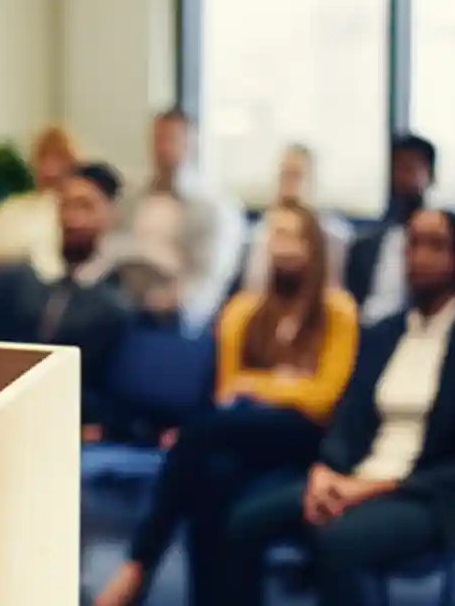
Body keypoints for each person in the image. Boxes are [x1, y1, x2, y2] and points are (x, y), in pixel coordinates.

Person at [216, 209, 455, 606]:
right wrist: (325, 471)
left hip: (433, 496)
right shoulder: (385, 332)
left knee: (339, 540)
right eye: (412, 244)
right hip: (355, 479)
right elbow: (349, 420)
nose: (419, 256)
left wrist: (372, 488)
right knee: (244, 522)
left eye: (436, 246)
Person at [94, 203, 359, 606]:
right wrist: (286, 383)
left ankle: (138, 565)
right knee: (211, 478)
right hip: (244, 439)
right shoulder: (243, 310)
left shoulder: (337, 311)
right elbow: (226, 389)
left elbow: (323, 399)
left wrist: (260, 385)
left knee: (198, 435)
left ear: (314, 247)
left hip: (306, 439)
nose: (284, 248)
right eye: (277, 237)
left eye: (294, 237)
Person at [0, 163, 132, 440]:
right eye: (67, 205)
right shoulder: (15, 280)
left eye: (86, 206)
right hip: (4, 413)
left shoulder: (118, 300)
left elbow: (114, 390)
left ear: (110, 214)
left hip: (71, 425)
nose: (73, 219)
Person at [114, 108, 246, 333]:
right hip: (126, 306)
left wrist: (177, 301)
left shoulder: (215, 206)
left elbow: (210, 276)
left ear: (190, 144)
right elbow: (113, 248)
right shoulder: (131, 197)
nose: (163, 148)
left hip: (181, 315)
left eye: (171, 139)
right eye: (158, 139)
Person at [0, 124, 77, 296]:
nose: (50, 168)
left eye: (59, 158)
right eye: (43, 157)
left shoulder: (73, 215)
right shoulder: (9, 208)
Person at [237, 143, 352, 294]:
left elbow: (332, 294)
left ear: (312, 181)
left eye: (296, 175)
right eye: (284, 175)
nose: (288, 184)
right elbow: (251, 293)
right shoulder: (261, 233)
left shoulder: (334, 235)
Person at [346, 134, 437, 325]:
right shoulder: (365, 245)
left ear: (430, 175)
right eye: (399, 169)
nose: (404, 178)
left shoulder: (441, 248)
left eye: (412, 169)